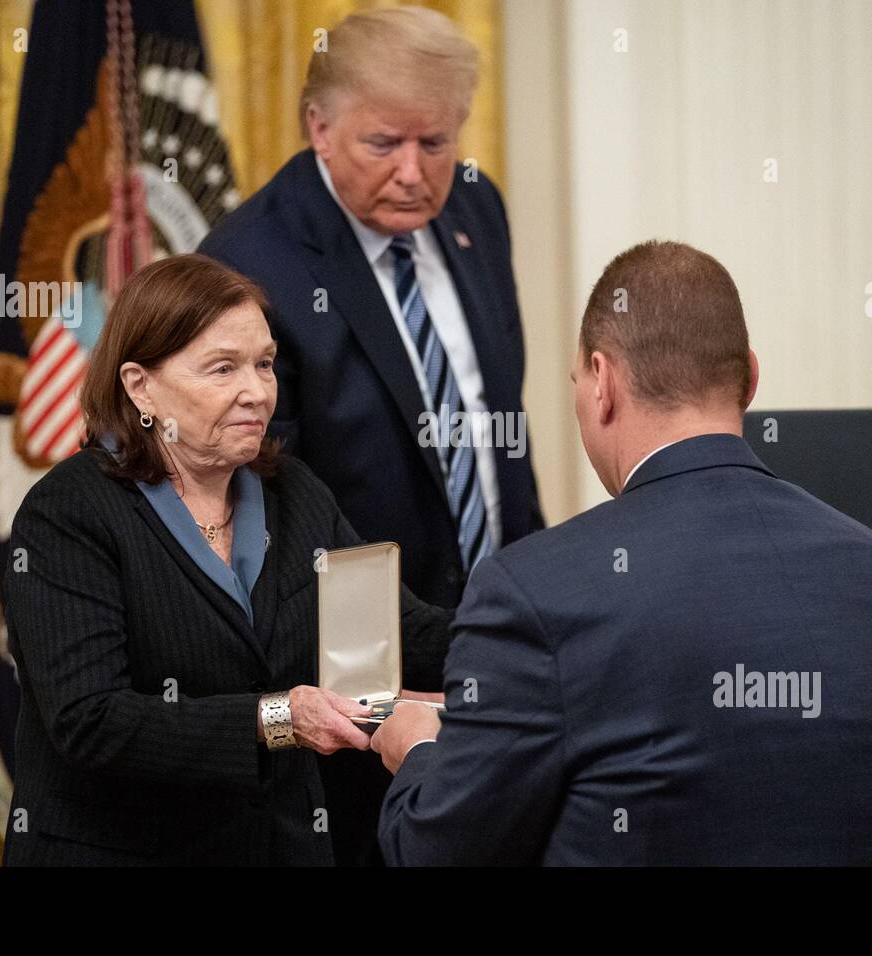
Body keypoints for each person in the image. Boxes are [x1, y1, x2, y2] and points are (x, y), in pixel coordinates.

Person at [371, 240, 872, 865]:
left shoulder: (532, 590)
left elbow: (438, 855)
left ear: (602, 382)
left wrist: (420, 750)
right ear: (750, 377)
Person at [198, 5, 543, 864]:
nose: (414, 173)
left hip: (501, 642)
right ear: (319, 126)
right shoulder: (253, 260)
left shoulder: (475, 207)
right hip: (353, 685)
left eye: (437, 142)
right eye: (383, 143)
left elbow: (498, 425)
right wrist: (376, 681)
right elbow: (258, 505)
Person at [2, 253, 450, 866]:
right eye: (223, 369)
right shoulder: (68, 513)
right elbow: (90, 719)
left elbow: (398, 632)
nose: (257, 392)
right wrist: (278, 720)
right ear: (141, 387)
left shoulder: (294, 492)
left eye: (264, 365)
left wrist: (538, 632)